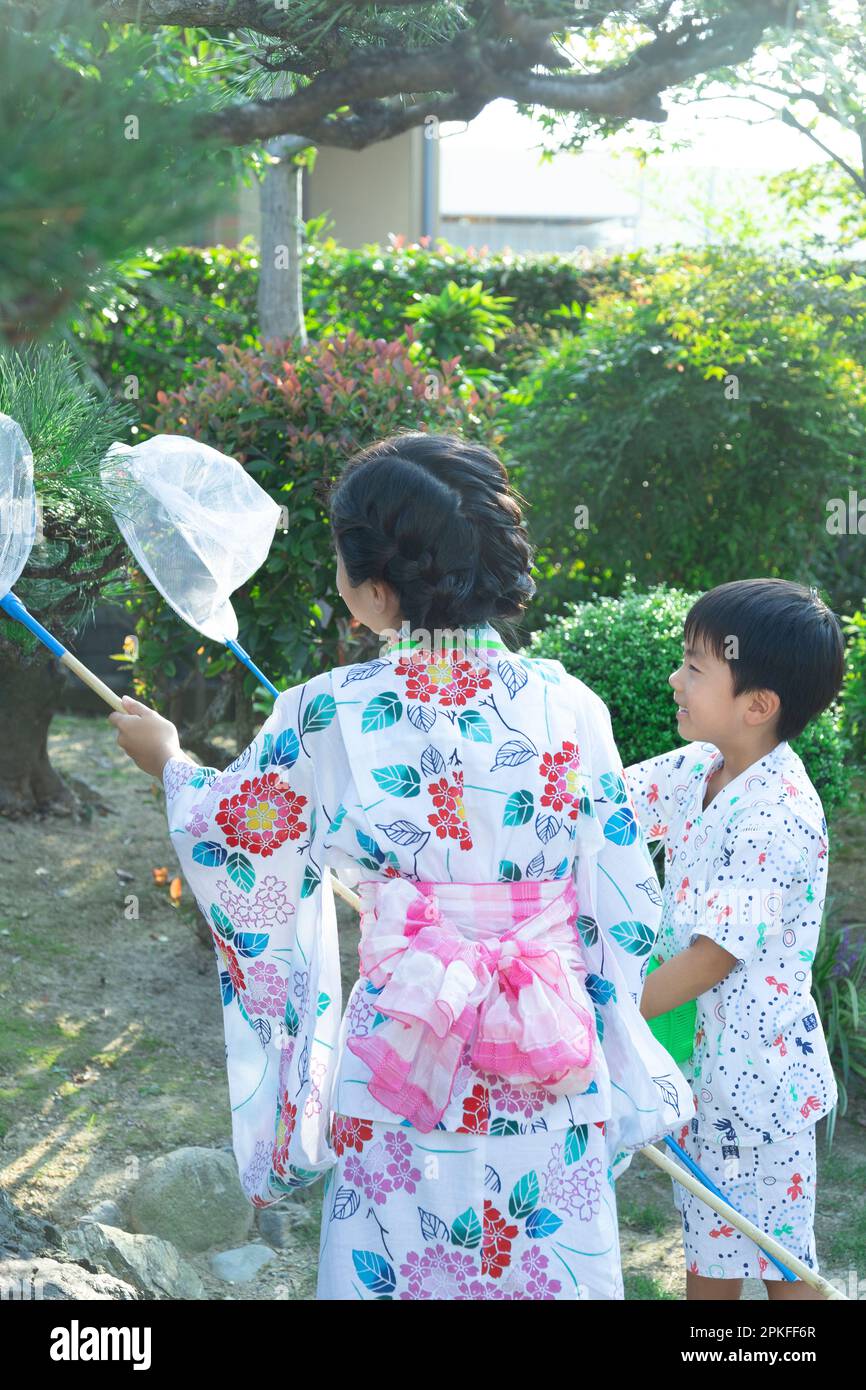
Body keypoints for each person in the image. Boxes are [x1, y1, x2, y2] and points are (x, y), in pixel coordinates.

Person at [108, 430, 692, 1301]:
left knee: (399, 1255)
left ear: (377, 590)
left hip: (405, 1038)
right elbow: (619, 899)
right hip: (546, 1037)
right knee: (541, 1255)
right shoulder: (570, 703)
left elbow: (235, 832)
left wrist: (170, 761)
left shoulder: (329, 712)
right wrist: (616, 1041)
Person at [625, 579, 845, 1302]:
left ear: (758, 705)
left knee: (783, 1265)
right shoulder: (699, 770)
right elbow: (599, 801)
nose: (674, 678)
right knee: (712, 1251)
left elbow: (712, 957)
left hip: (764, 1092)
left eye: (694, 667)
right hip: (706, 1078)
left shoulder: (776, 813)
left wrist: (609, 1015)